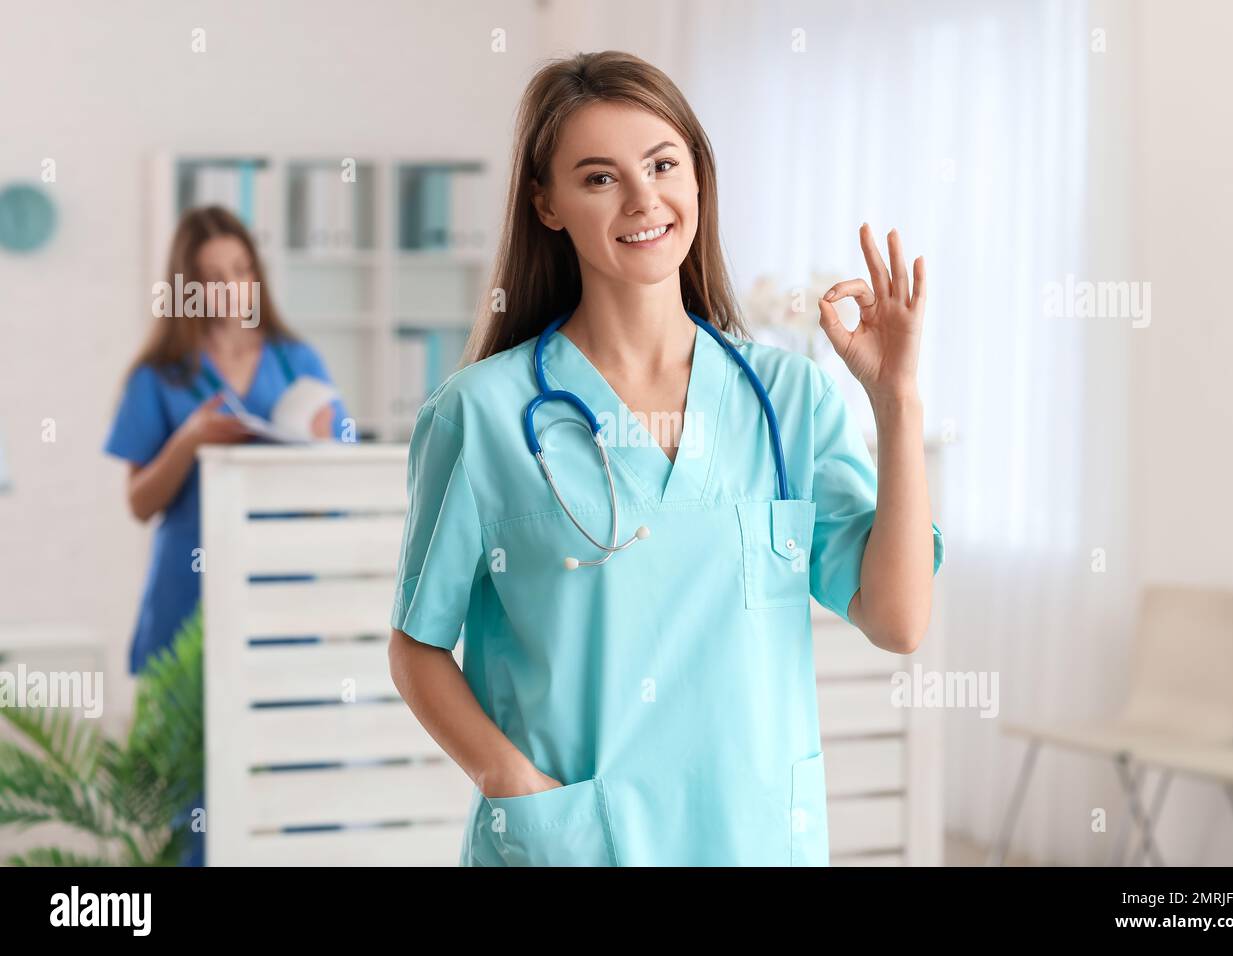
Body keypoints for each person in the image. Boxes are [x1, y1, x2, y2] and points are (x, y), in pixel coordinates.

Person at [388, 51, 944, 866]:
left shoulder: (788, 399)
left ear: (697, 177)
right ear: (547, 205)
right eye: (599, 178)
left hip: (753, 839)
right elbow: (417, 645)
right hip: (576, 845)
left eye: (662, 164)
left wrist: (896, 404)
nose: (644, 198)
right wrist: (513, 785)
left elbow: (897, 621)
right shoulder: (482, 416)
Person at [104, 205, 351, 865]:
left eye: (242, 270)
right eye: (213, 275)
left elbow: (335, 493)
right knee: (197, 802)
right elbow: (138, 500)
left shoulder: (298, 361)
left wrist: (327, 447)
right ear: (187, 285)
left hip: (281, 600)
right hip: (189, 599)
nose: (232, 287)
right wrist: (188, 440)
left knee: (296, 788)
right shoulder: (161, 377)